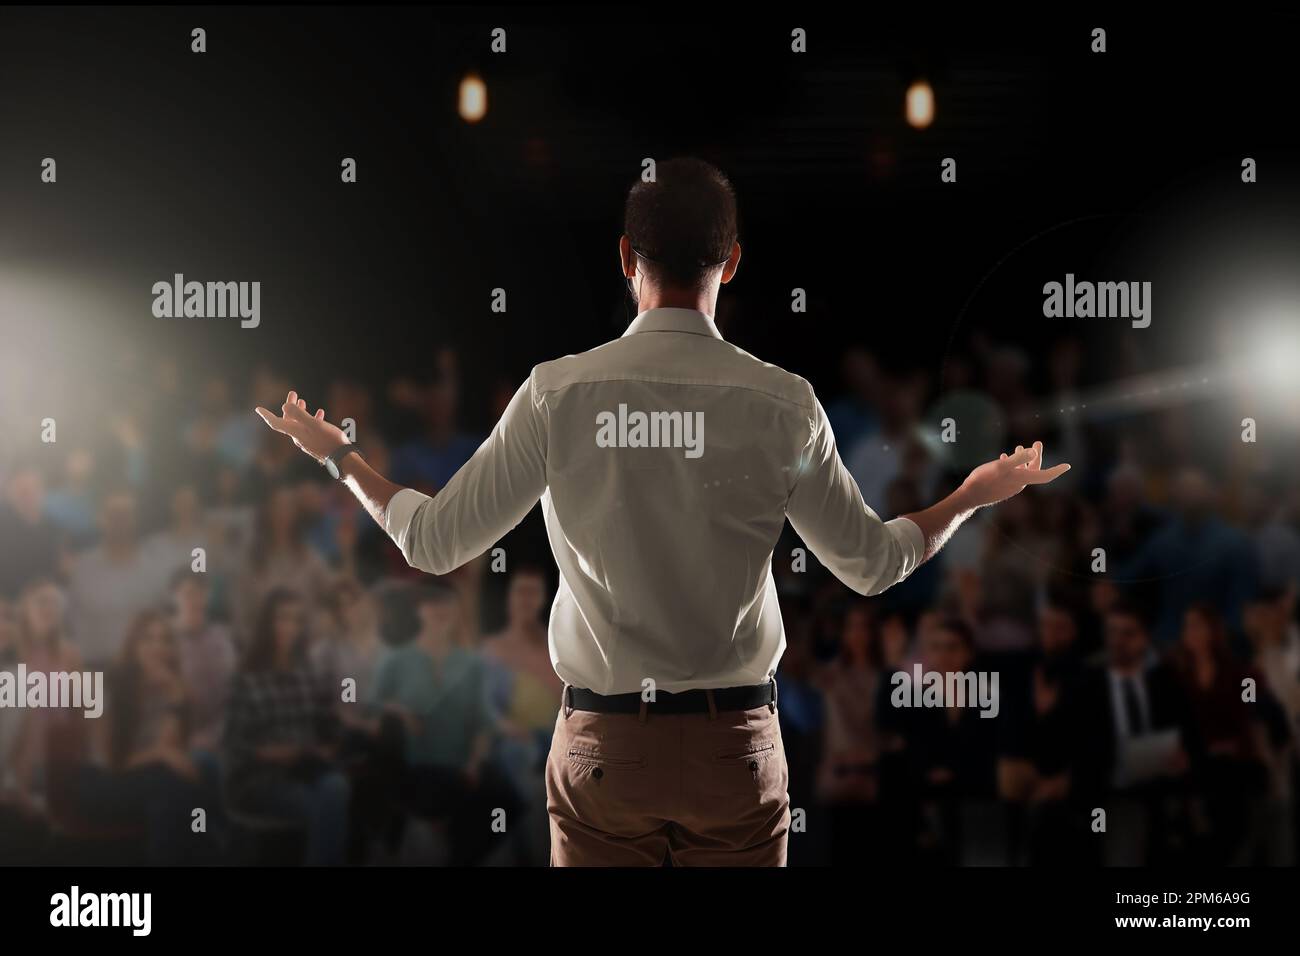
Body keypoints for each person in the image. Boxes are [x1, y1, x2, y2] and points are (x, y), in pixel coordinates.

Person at [253, 157, 1070, 866]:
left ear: (624, 258)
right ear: (734, 262)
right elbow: (874, 565)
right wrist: (970, 496)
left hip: (606, 750)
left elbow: (430, 544)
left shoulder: (556, 393)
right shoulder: (785, 403)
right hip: (736, 747)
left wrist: (337, 453)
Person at [223, 589, 348, 866]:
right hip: (259, 779)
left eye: (296, 620)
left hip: (305, 768)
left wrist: (330, 742)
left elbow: (326, 725)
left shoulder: (308, 673)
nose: (289, 627)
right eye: (282, 618)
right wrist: (274, 753)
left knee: (336, 786)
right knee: (322, 805)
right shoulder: (245, 678)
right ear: (267, 623)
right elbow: (234, 746)